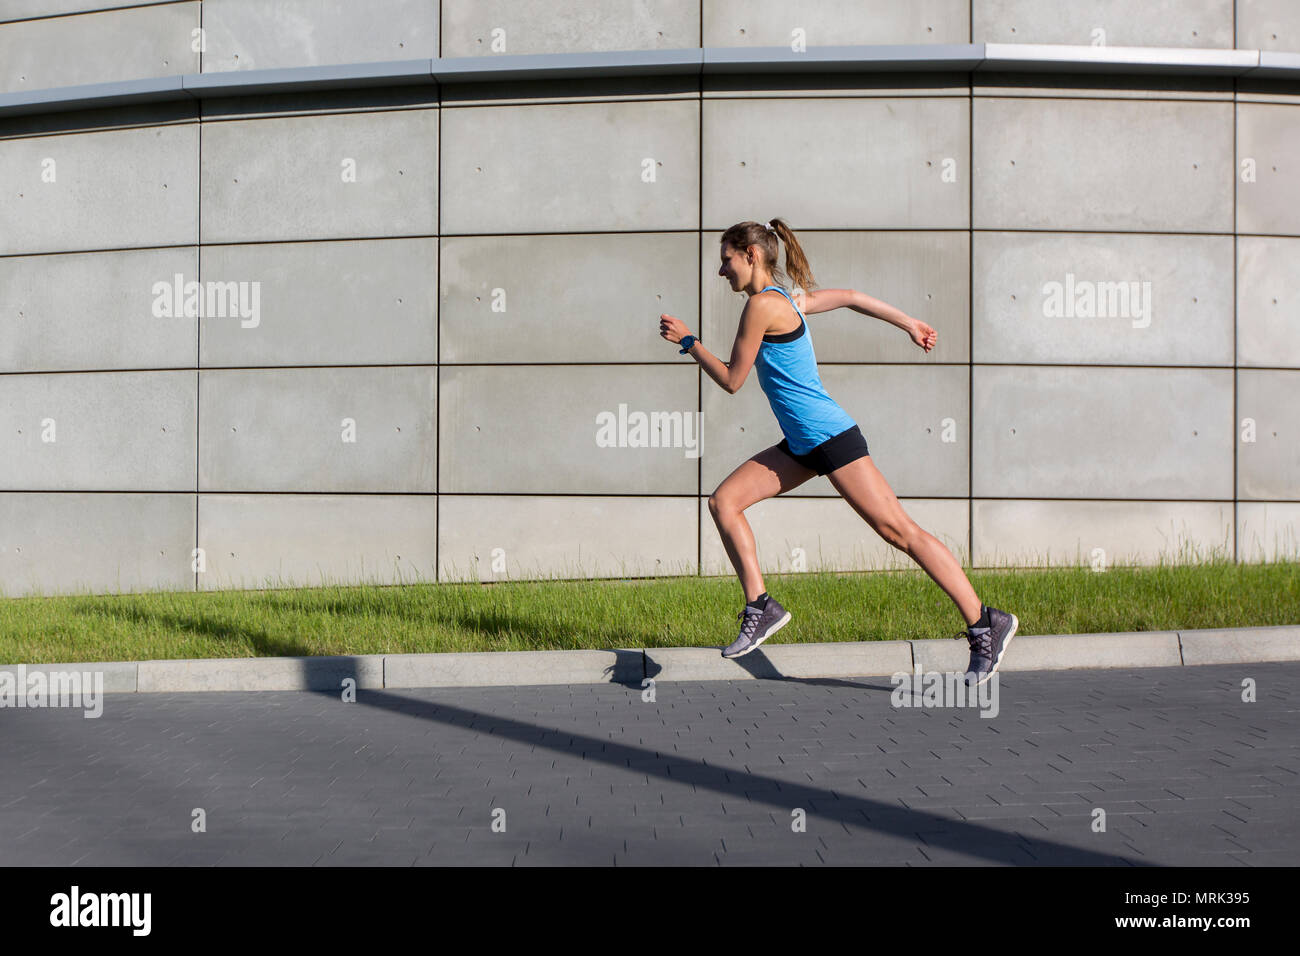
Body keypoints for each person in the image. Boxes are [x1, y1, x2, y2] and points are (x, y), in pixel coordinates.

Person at [658, 218, 1017, 686]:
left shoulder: (763, 306)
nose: (721, 271)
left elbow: (731, 380)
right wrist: (908, 322)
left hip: (829, 438)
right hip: (804, 444)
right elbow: (849, 296)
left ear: (751, 255)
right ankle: (761, 606)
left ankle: (985, 622)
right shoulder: (788, 300)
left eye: (726, 260)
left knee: (900, 532)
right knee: (724, 502)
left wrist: (689, 342)